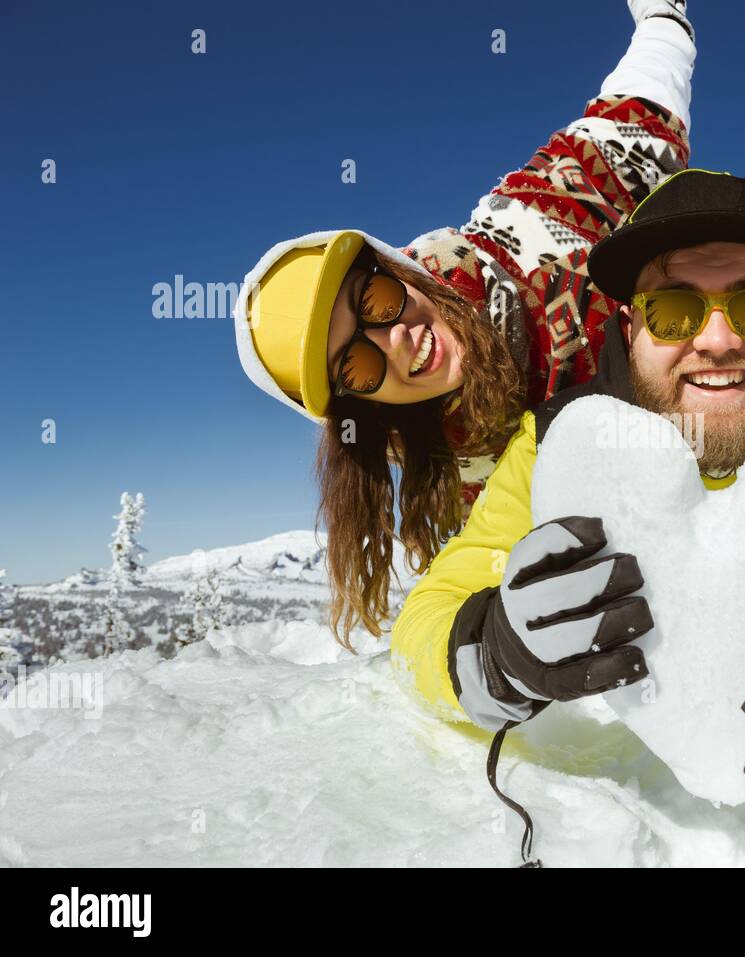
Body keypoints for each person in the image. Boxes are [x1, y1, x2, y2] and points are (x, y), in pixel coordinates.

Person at [392, 169, 745, 861]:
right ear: (633, 327)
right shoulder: (564, 448)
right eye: (676, 311)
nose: (719, 340)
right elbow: (425, 620)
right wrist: (496, 651)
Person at [232, 1, 695, 646]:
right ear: (360, 405)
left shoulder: (538, 220)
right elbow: (453, 598)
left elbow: (639, 115)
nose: (394, 343)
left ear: (399, 270)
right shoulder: (456, 475)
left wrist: (662, 21)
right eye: (357, 366)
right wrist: (483, 660)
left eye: (374, 303)